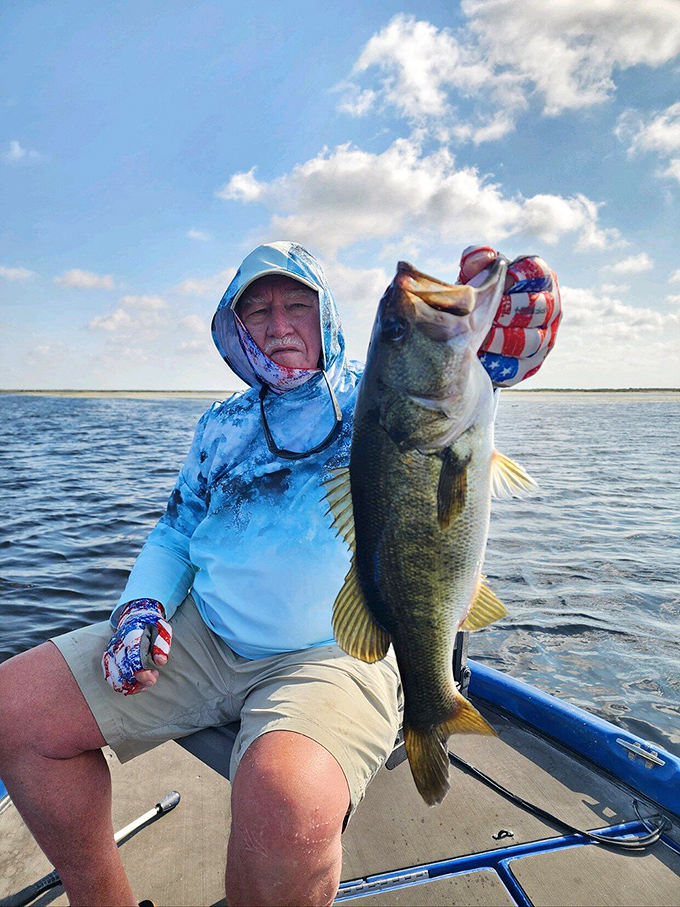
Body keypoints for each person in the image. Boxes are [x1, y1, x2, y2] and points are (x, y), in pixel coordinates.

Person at [0, 241, 561, 907]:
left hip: (335, 654)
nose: (278, 322)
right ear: (235, 329)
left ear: (326, 315)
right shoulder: (219, 422)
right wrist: (142, 606)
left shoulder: (376, 395)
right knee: (15, 709)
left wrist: (513, 318)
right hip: (202, 634)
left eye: (297, 303)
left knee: (286, 808)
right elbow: (178, 529)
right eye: (257, 310)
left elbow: (475, 370)